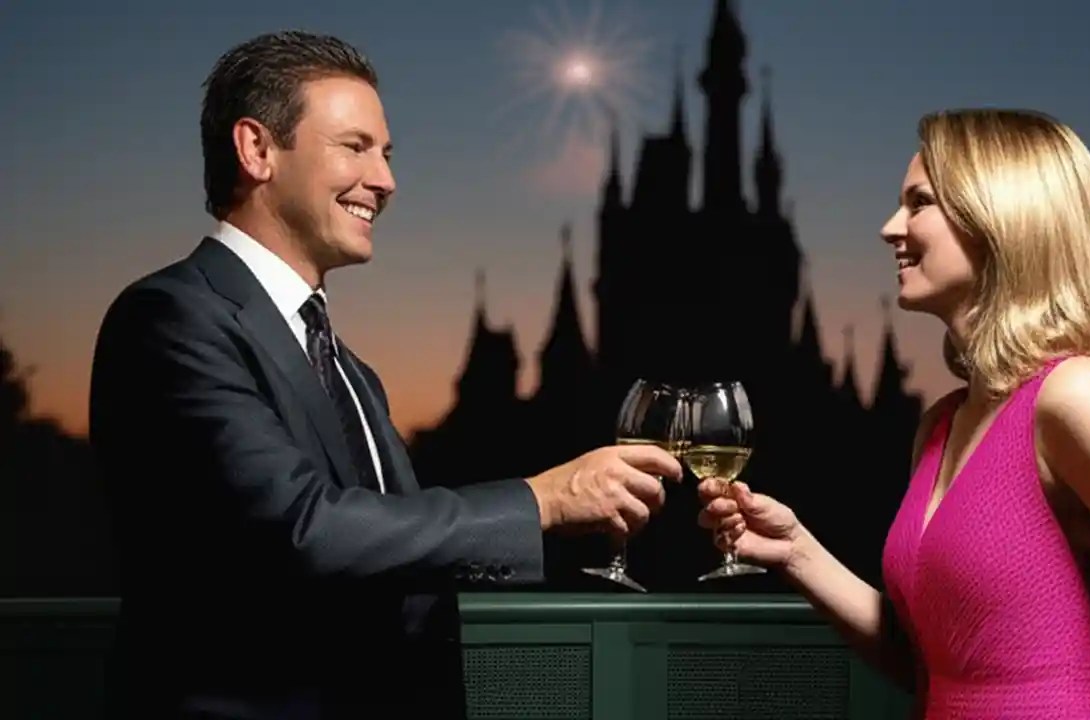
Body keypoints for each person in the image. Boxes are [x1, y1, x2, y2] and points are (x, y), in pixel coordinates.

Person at [88, 30, 680, 719]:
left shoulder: (350, 370)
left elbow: (395, 548)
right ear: (256, 150)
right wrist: (540, 504)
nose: (387, 181)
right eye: (355, 147)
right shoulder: (170, 317)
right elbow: (302, 531)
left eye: (388, 154)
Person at [698, 109, 1090, 718]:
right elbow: (937, 669)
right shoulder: (941, 425)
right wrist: (797, 553)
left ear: (998, 218)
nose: (890, 228)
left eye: (919, 203)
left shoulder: (1079, 394)